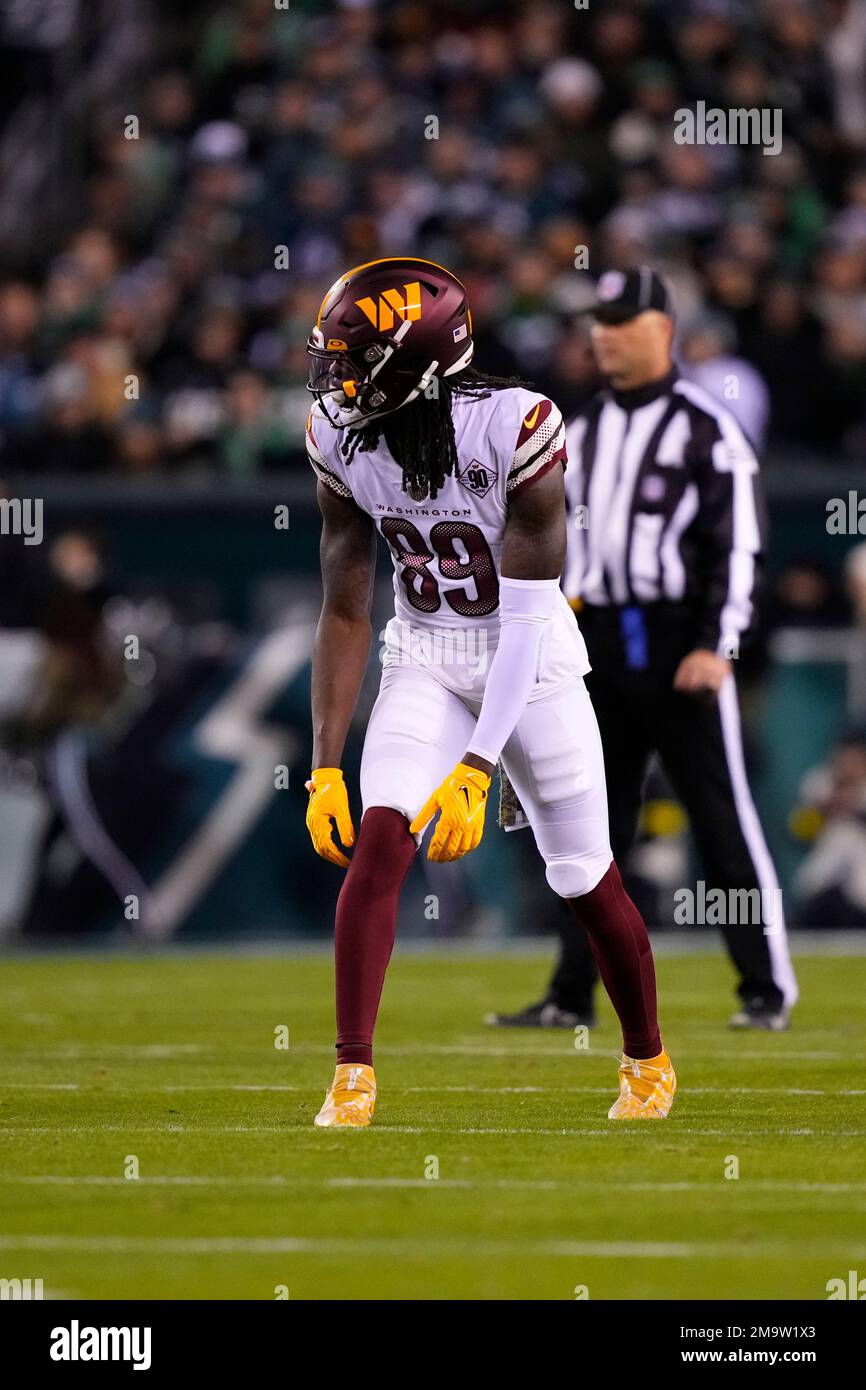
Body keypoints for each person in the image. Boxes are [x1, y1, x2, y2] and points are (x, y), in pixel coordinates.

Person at [303, 256, 676, 1127]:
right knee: (381, 837)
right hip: (426, 654)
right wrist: (324, 763)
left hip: (531, 662)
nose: (335, 380)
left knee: (584, 876)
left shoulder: (515, 427)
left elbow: (527, 619)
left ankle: (647, 1059)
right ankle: (352, 1076)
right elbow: (345, 608)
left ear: (417, 363)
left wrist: (476, 767)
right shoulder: (338, 437)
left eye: (355, 360)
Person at [491, 267, 798, 1033]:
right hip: (594, 645)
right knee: (582, 824)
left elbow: (738, 549)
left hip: (675, 643)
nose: (603, 335)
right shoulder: (578, 427)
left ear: (663, 329)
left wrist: (715, 645)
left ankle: (765, 988)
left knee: (720, 819)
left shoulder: (706, 427)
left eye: (621, 322)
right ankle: (570, 994)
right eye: (598, 322)